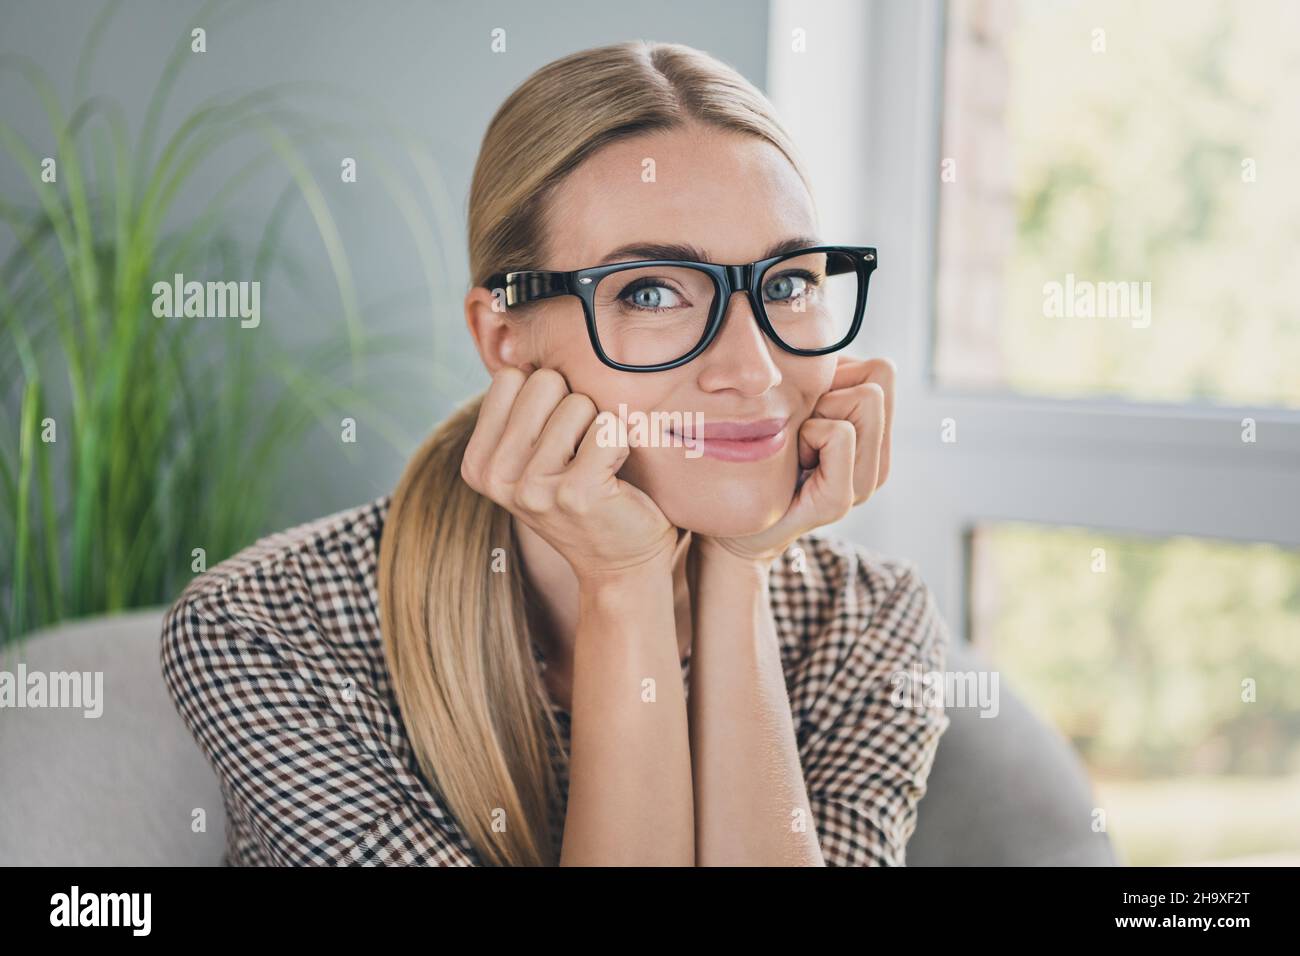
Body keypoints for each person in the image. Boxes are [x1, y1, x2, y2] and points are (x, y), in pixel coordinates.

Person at [161, 39, 951, 867]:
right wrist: (622, 586)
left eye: (788, 283)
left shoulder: (870, 626)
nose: (752, 371)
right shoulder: (268, 636)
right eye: (652, 293)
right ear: (504, 338)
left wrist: (737, 580)